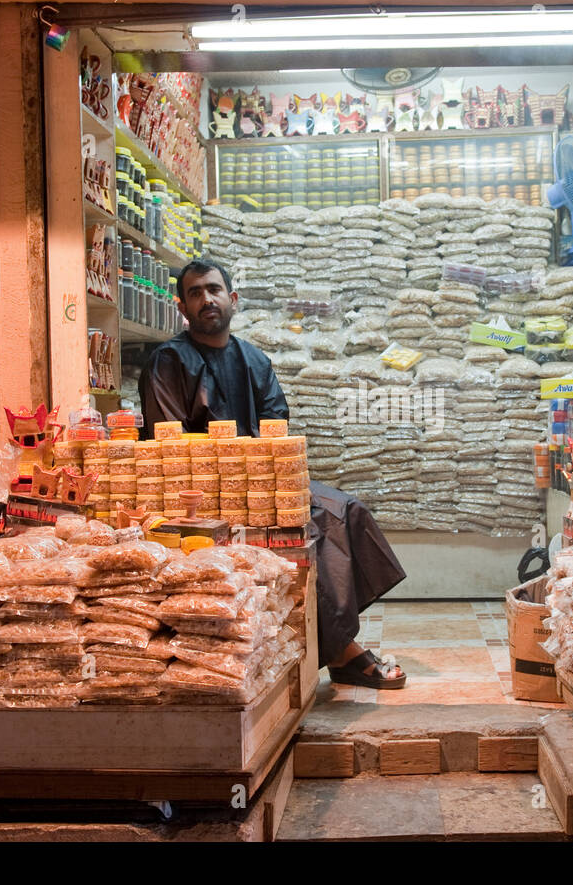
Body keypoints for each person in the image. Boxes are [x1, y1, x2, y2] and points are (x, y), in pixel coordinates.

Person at [139, 258, 408, 688]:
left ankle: (334, 642)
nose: (206, 299)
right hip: (201, 493)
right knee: (311, 527)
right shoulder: (169, 360)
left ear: (233, 299)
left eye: (214, 289)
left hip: (264, 485)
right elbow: (167, 440)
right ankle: (343, 652)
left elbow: (276, 425)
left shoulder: (254, 359)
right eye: (195, 293)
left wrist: (272, 479)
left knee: (347, 511)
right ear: (182, 308)